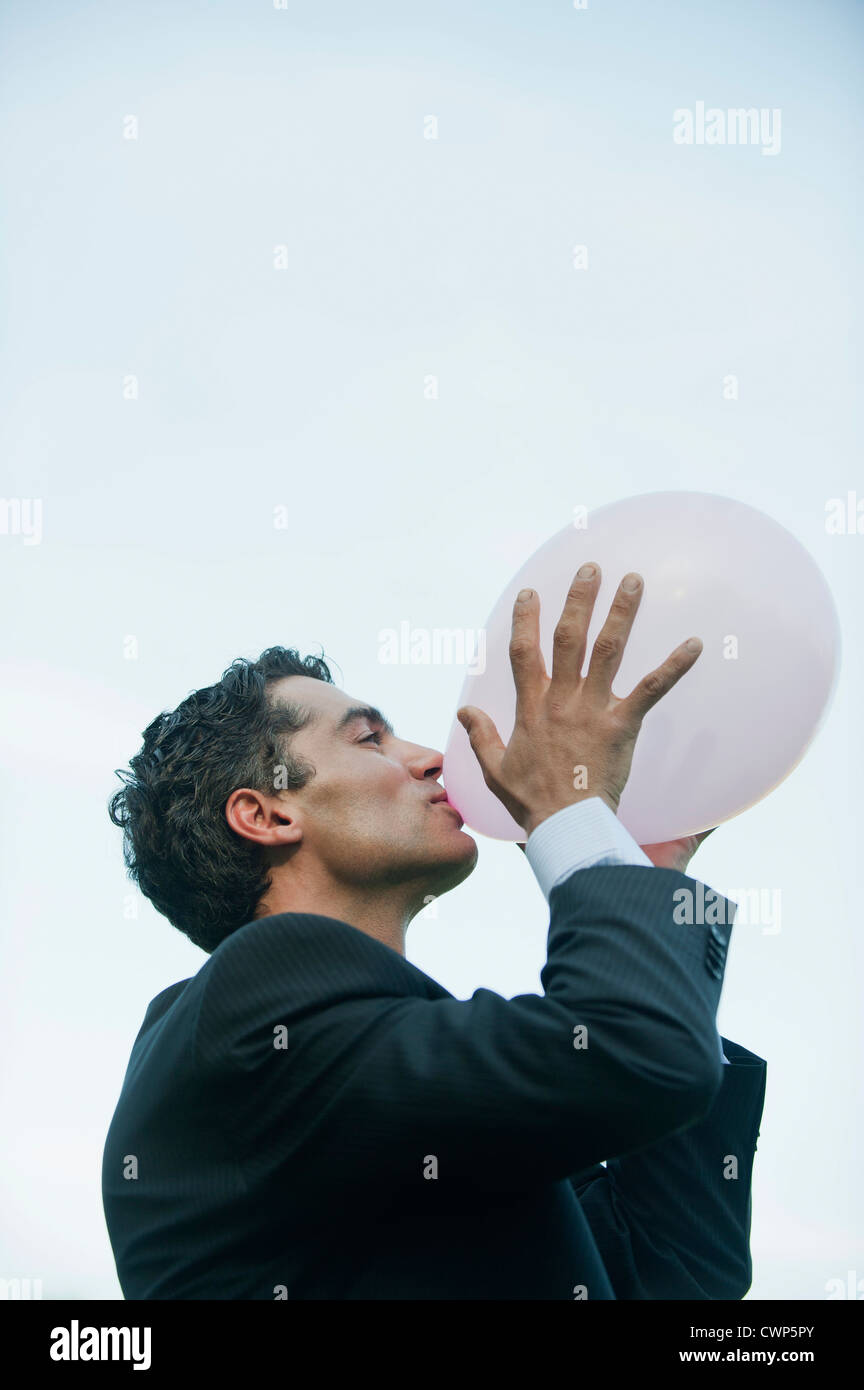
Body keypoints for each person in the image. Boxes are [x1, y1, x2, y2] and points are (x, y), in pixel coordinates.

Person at [102, 564, 766, 1299]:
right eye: (369, 740)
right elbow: (642, 1055)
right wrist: (576, 828)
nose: (431, 759)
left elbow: (672, 1276)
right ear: (267, 813)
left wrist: (642, 876)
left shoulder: (403, 1069)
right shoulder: (255, 998)